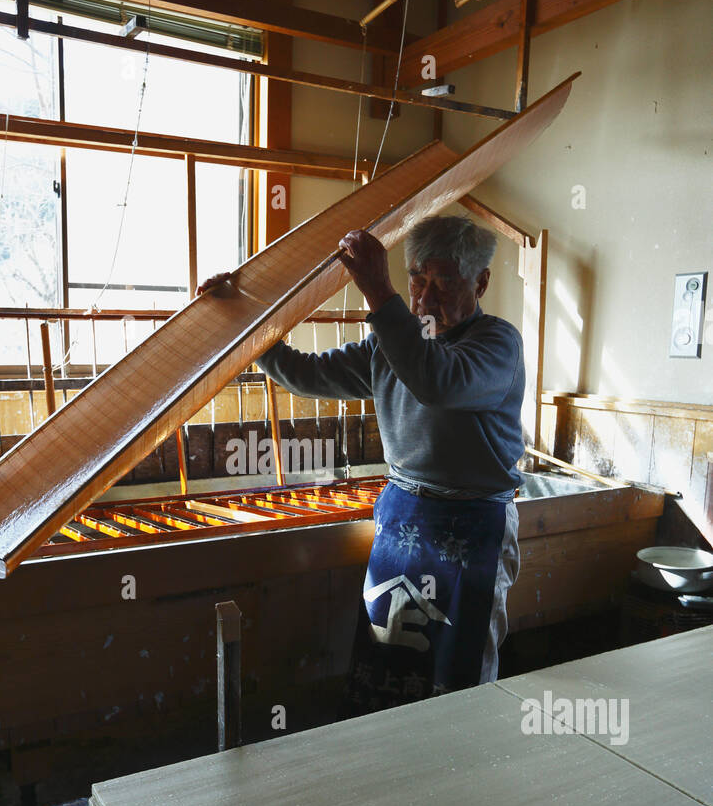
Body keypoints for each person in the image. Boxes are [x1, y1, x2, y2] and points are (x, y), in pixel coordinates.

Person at [198, 214, 524, 716]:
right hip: (404, 522)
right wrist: (246, 322)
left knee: (460, 672)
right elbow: (305, 374)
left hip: (473, 527)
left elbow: (435, 381)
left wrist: (378, 290)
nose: (426, 296)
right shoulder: (389, 343)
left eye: (446, 281)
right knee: (389, 660)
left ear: (480, 282)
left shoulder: (496, 343)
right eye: (417, 278)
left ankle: (464, 771)